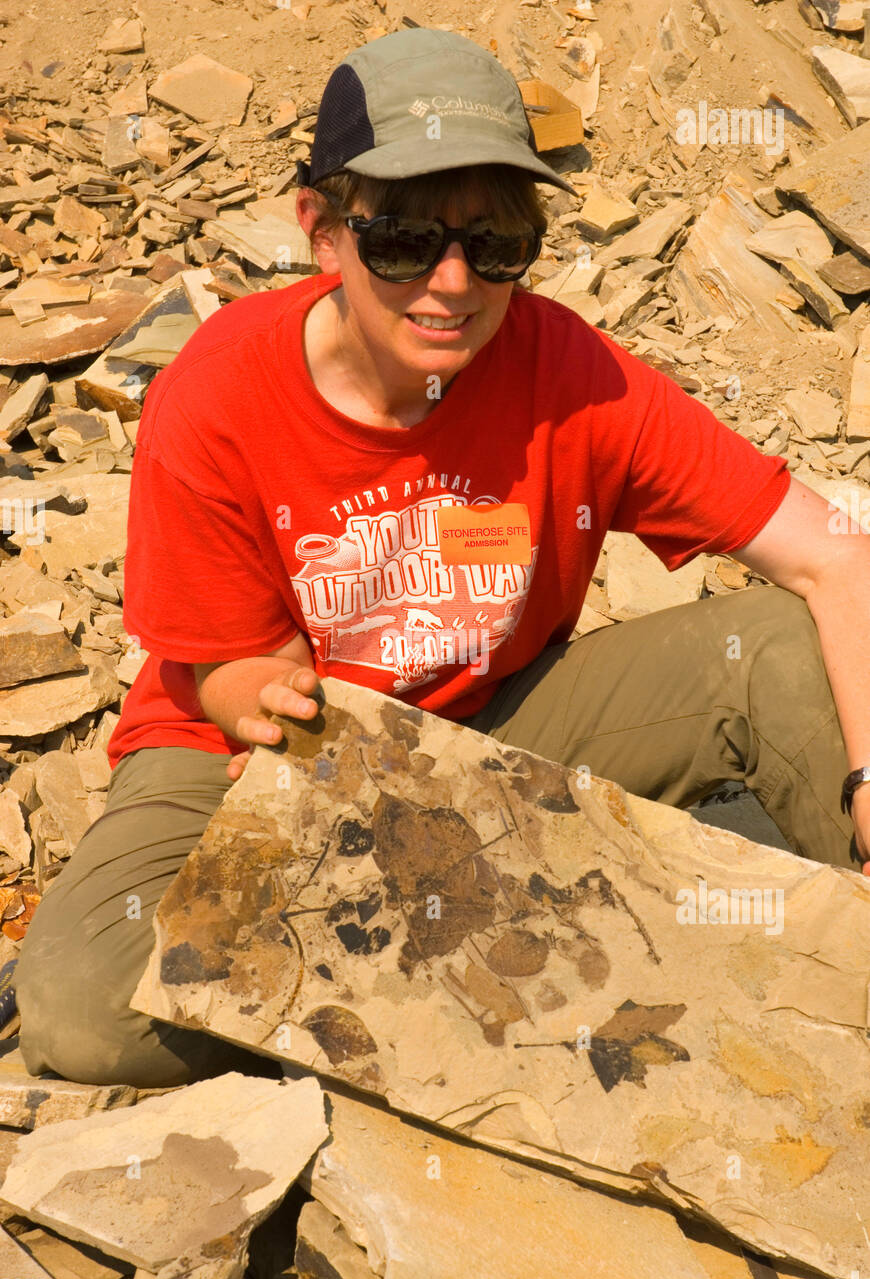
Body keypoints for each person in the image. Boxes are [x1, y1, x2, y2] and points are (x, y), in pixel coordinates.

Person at [15, 28, 870, 1090]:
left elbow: (838, 559)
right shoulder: (217, 396)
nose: (454, 283)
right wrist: (260, 701)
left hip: (493, 732)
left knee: (776, 649)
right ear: (322, 231)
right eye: (405, 240)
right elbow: (226, 677)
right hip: (260, 762)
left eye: (496, 242)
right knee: (83, 1003)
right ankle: (524, 959)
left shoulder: (573, 373)